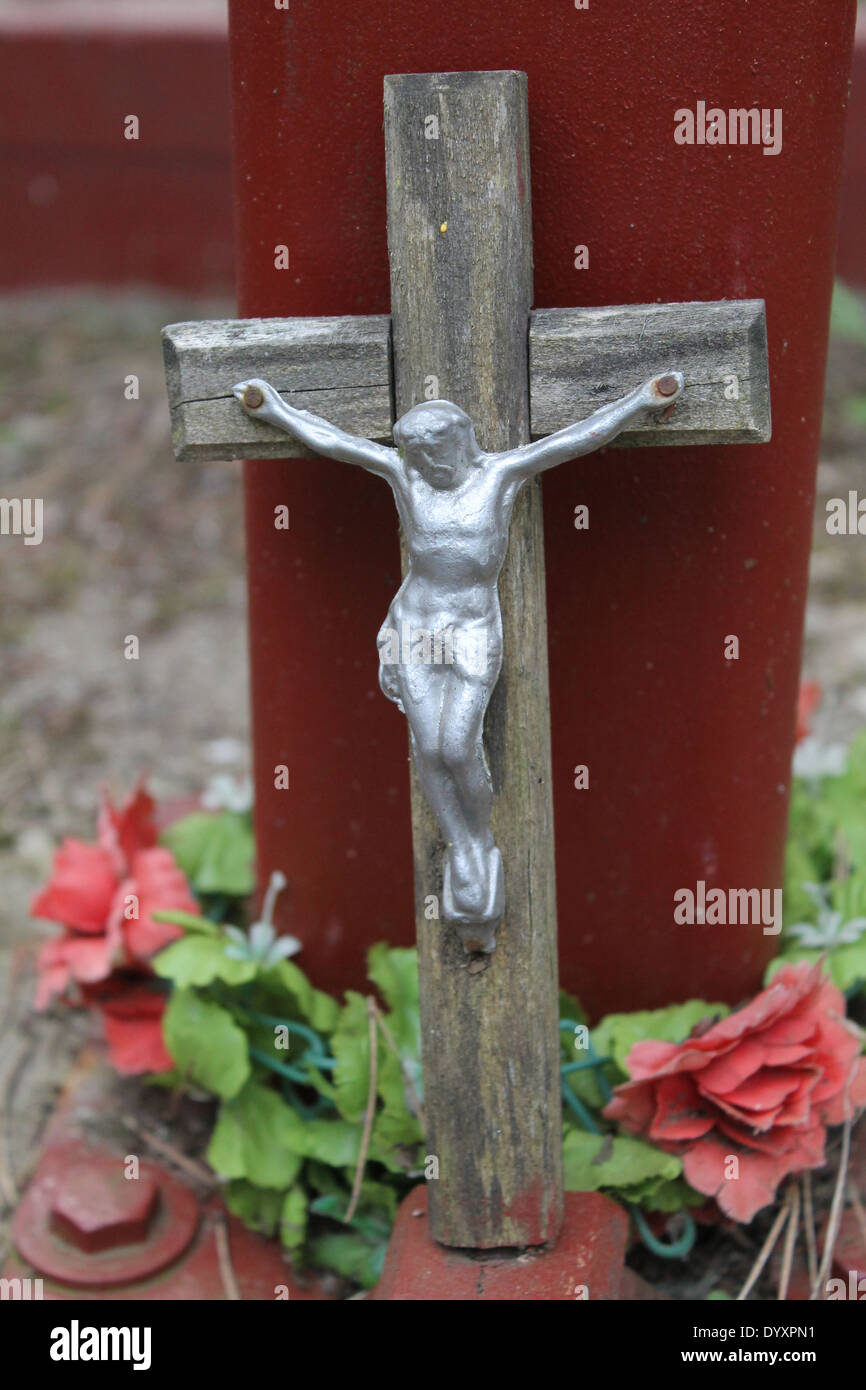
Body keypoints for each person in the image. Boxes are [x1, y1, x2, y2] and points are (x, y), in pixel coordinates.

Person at [234, 371, 683, 951]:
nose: (427, 464)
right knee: (428, 748)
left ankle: (479, 842)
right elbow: (335, 442)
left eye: (435, 453)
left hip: (472, 628)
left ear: (462, 442)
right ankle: (463, 848)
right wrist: (273, 410)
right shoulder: (406, 478)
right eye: (417, 454)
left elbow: (575, 438)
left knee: (455, 744)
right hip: (418, 625)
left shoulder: (498, 476)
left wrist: (640, 402)